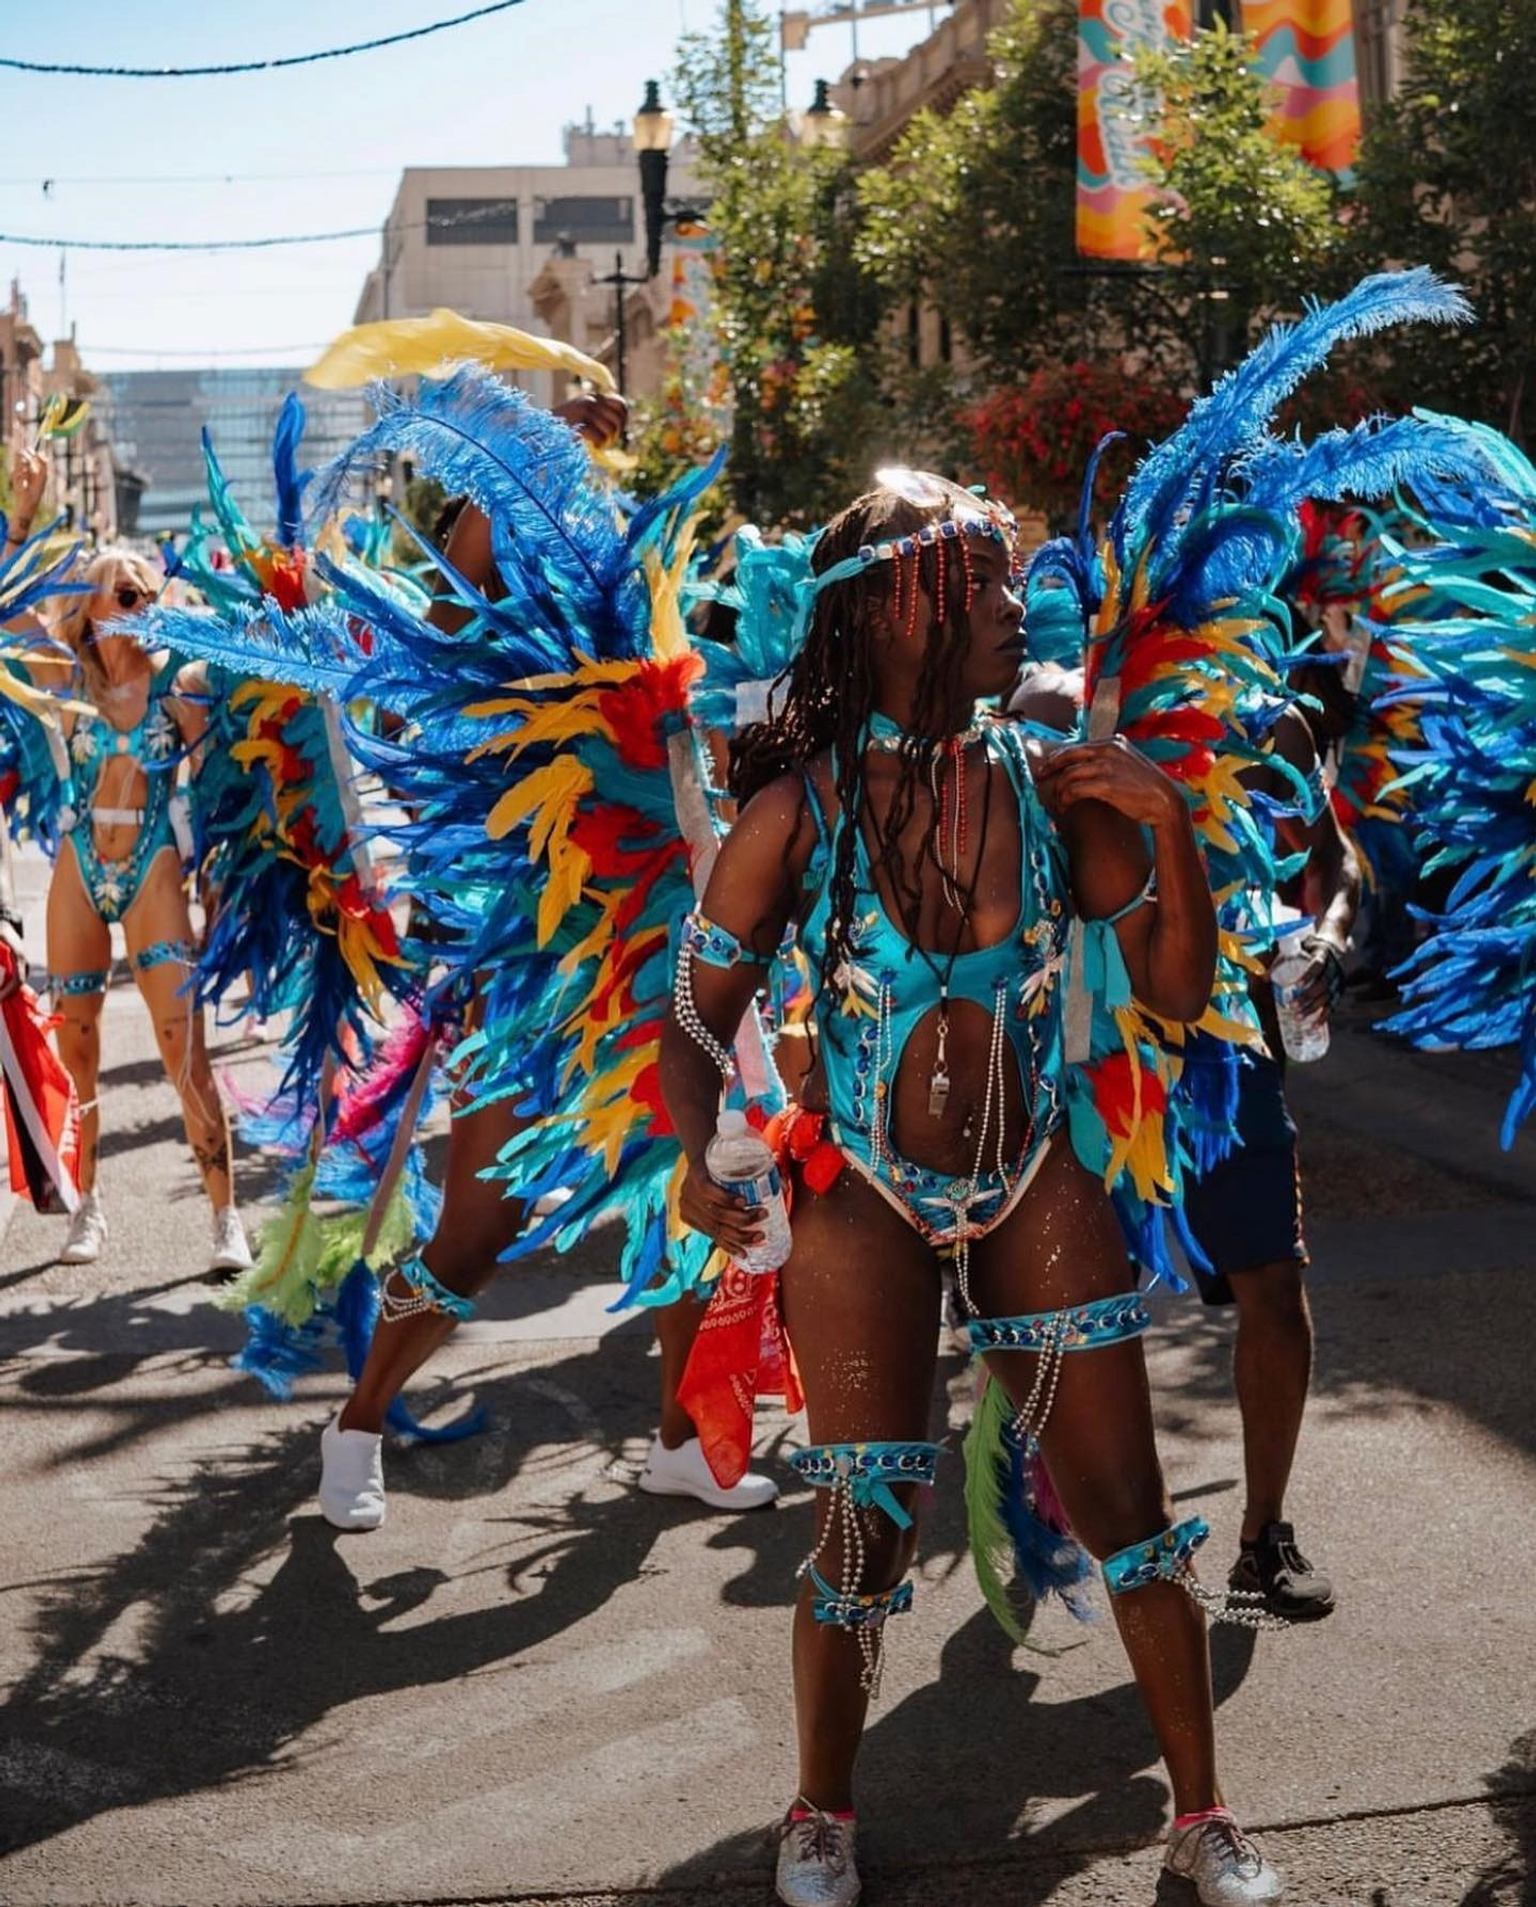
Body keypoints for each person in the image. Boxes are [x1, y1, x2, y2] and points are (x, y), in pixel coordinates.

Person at [660, 475, 1284, 1907]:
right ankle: (820, 1808)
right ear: (893, 612)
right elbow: (694, 1012)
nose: (1021, 611)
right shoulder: (798, 807)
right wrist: (706, 1150)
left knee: (1132, 1508)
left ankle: (1204, 1814)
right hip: (864, 1194)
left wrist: (1169, 826)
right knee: (863, 1528)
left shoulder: (1054, 774)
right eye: (989, 590)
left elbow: (1180, 991)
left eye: (1014, 587)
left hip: (1035, 1183)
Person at [318, 390, 777, 1530]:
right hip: (545, 981)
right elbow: (463, 584)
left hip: (671, 959)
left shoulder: (671, 654)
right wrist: (525, 453)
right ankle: (360, 1421)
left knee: (691, 1202)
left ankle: (680, 1440)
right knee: (477, 1231)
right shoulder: (521, 664)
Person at [1013, 656, 1360, 1623]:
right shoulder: (1055, 702)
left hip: (1225, 1046)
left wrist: (1326, 935)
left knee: (1275, 1284)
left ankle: (1263, 1537)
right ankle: (1059, 1505)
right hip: (1092, 1051)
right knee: (1072, 1304)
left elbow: (1334, 859)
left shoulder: (1271, 720)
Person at [6, 449, 251, 1273]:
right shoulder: (68, 680)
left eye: (139, 593)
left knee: (184, 1049)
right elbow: (6, 622)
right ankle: (89, 1209)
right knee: (78, 1043)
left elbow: (232, 749)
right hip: (82, 860)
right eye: (116, 593)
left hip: (150, 867)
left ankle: (226, 1218)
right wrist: (20, 519)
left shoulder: (180, 685)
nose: (127, 607)